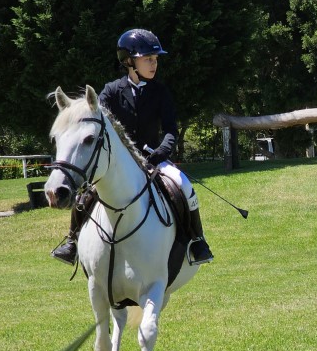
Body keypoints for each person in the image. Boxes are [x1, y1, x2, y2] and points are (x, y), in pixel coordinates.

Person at [51, 29, 213, 266]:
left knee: (184, 186)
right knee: (86, 194)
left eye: (155, 59)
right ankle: (72, 241)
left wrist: (161, 152)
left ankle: (197, 240)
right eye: (148, 59)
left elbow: (170, 130)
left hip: (154, 159)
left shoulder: (160, 92)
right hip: (118, 162)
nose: (153, 64)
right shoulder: (111, 91)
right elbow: (99, 124)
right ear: (129, 61)